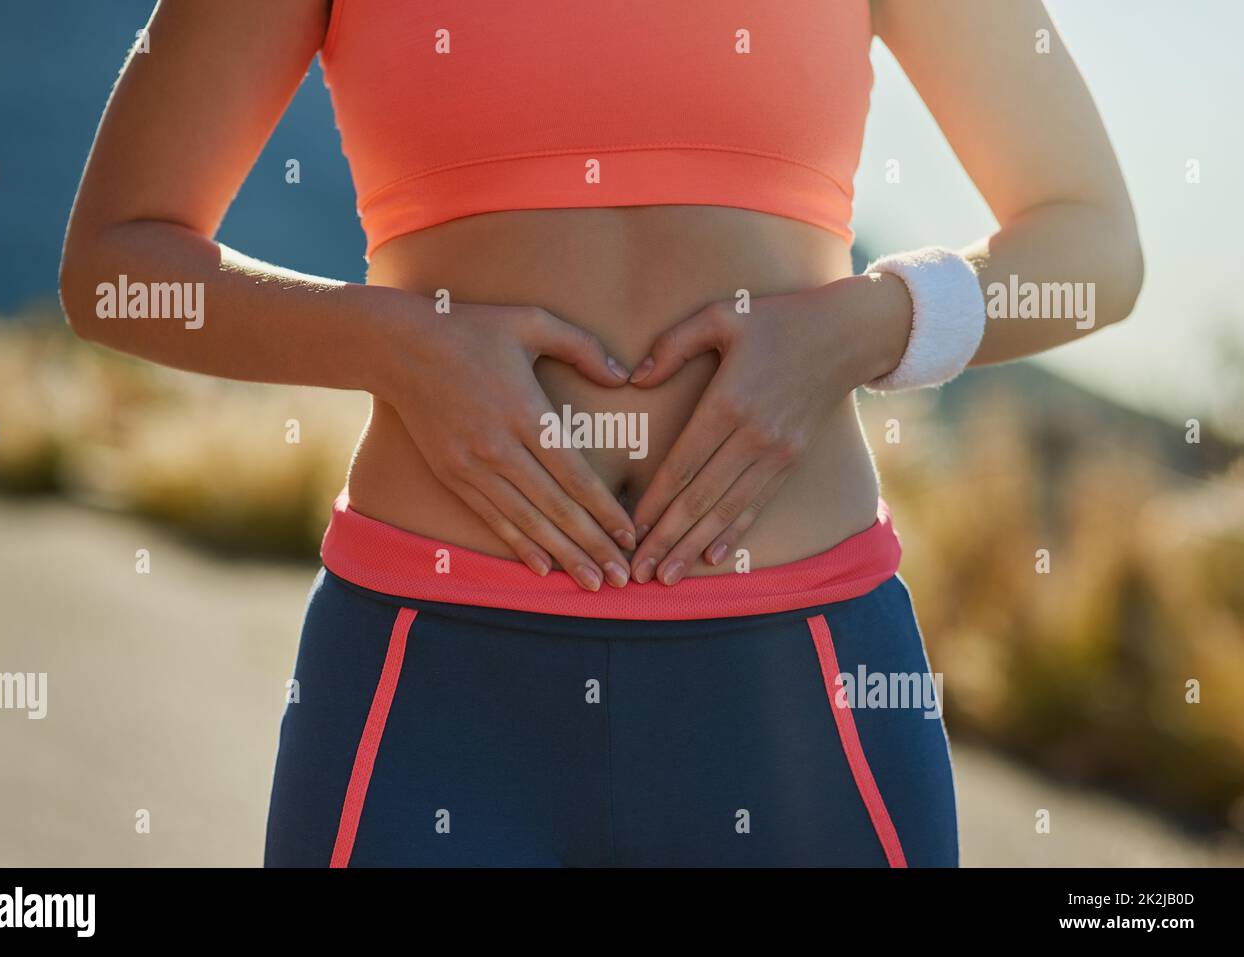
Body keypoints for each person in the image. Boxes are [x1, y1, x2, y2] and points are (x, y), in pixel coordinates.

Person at [60, 0, 1143, 866]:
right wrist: (393, 344)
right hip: (427, 683)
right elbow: (117, 264)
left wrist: (864, 327)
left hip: (806, 687)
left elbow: (1093, 247)